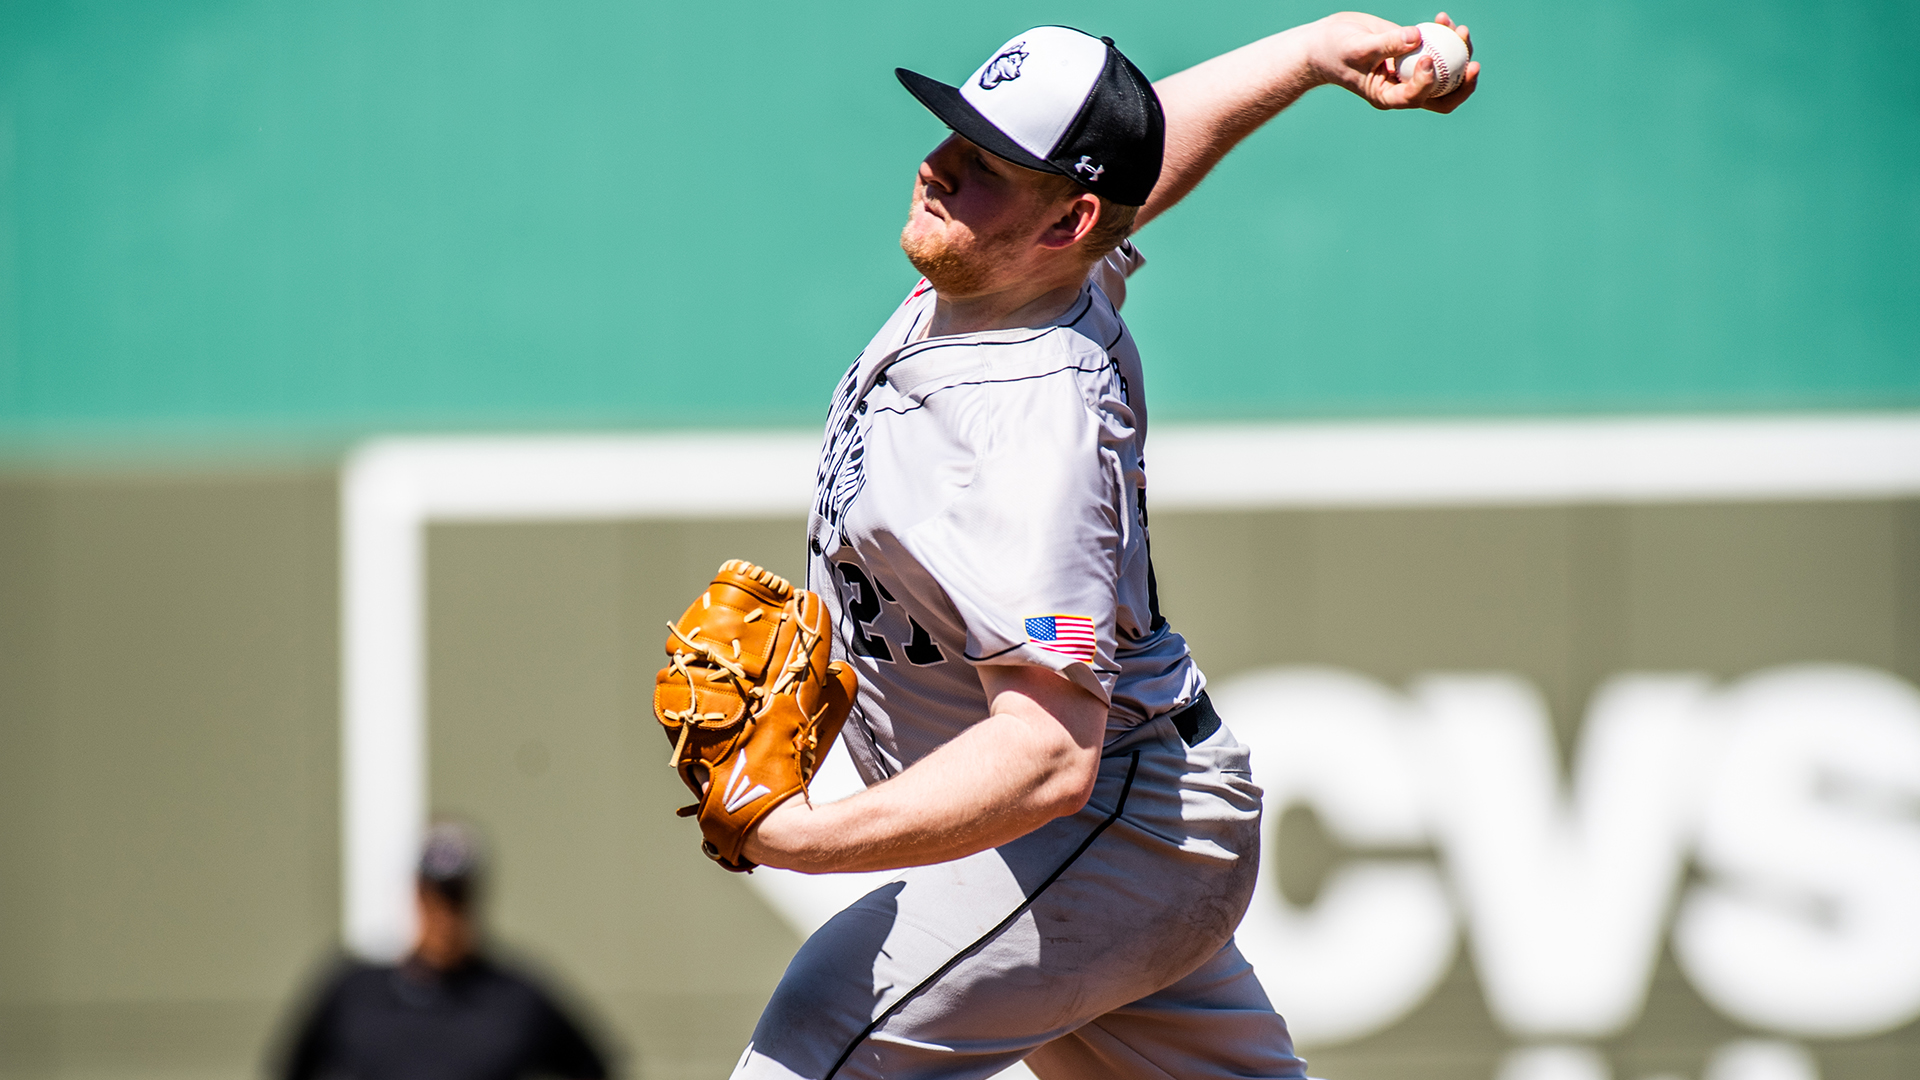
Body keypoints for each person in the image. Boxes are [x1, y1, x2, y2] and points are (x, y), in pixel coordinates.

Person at [722, 12, 1480, 1080]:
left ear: (1066, 222)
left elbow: (1047, 756)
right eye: (953, 131)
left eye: (984, 164)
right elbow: (1138, 155)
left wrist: (792, 836)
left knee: (817, 1041)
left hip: (1106, 833)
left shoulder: (1035, 428)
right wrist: (1309, 56)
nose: (938, 165)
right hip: (1128, 828)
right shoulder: (1023, 271)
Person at [277, 822, 611, 1080]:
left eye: (455, 901)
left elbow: (594, 1067)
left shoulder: (516, 999)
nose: (444, 918)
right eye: (433, 898)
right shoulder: (355, 993)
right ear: (415, 895)